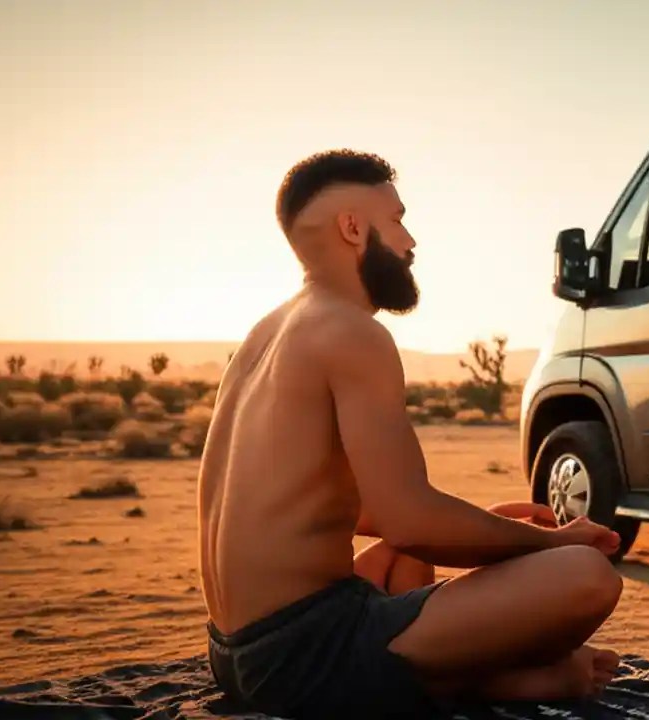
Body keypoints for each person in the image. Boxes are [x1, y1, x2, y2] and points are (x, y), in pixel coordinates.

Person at [197, 149, 625, 719]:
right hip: (304, 657)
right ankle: (491, 685)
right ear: (354, 228)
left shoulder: (266, 335)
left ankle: (453, 674)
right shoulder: (352, 332)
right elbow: (409, 520)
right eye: (397, 219)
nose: (409, 241)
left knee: (400, 560)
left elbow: (326, 507)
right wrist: (552, 543)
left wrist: (486, 525)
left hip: (232, 652)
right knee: (585, 576)